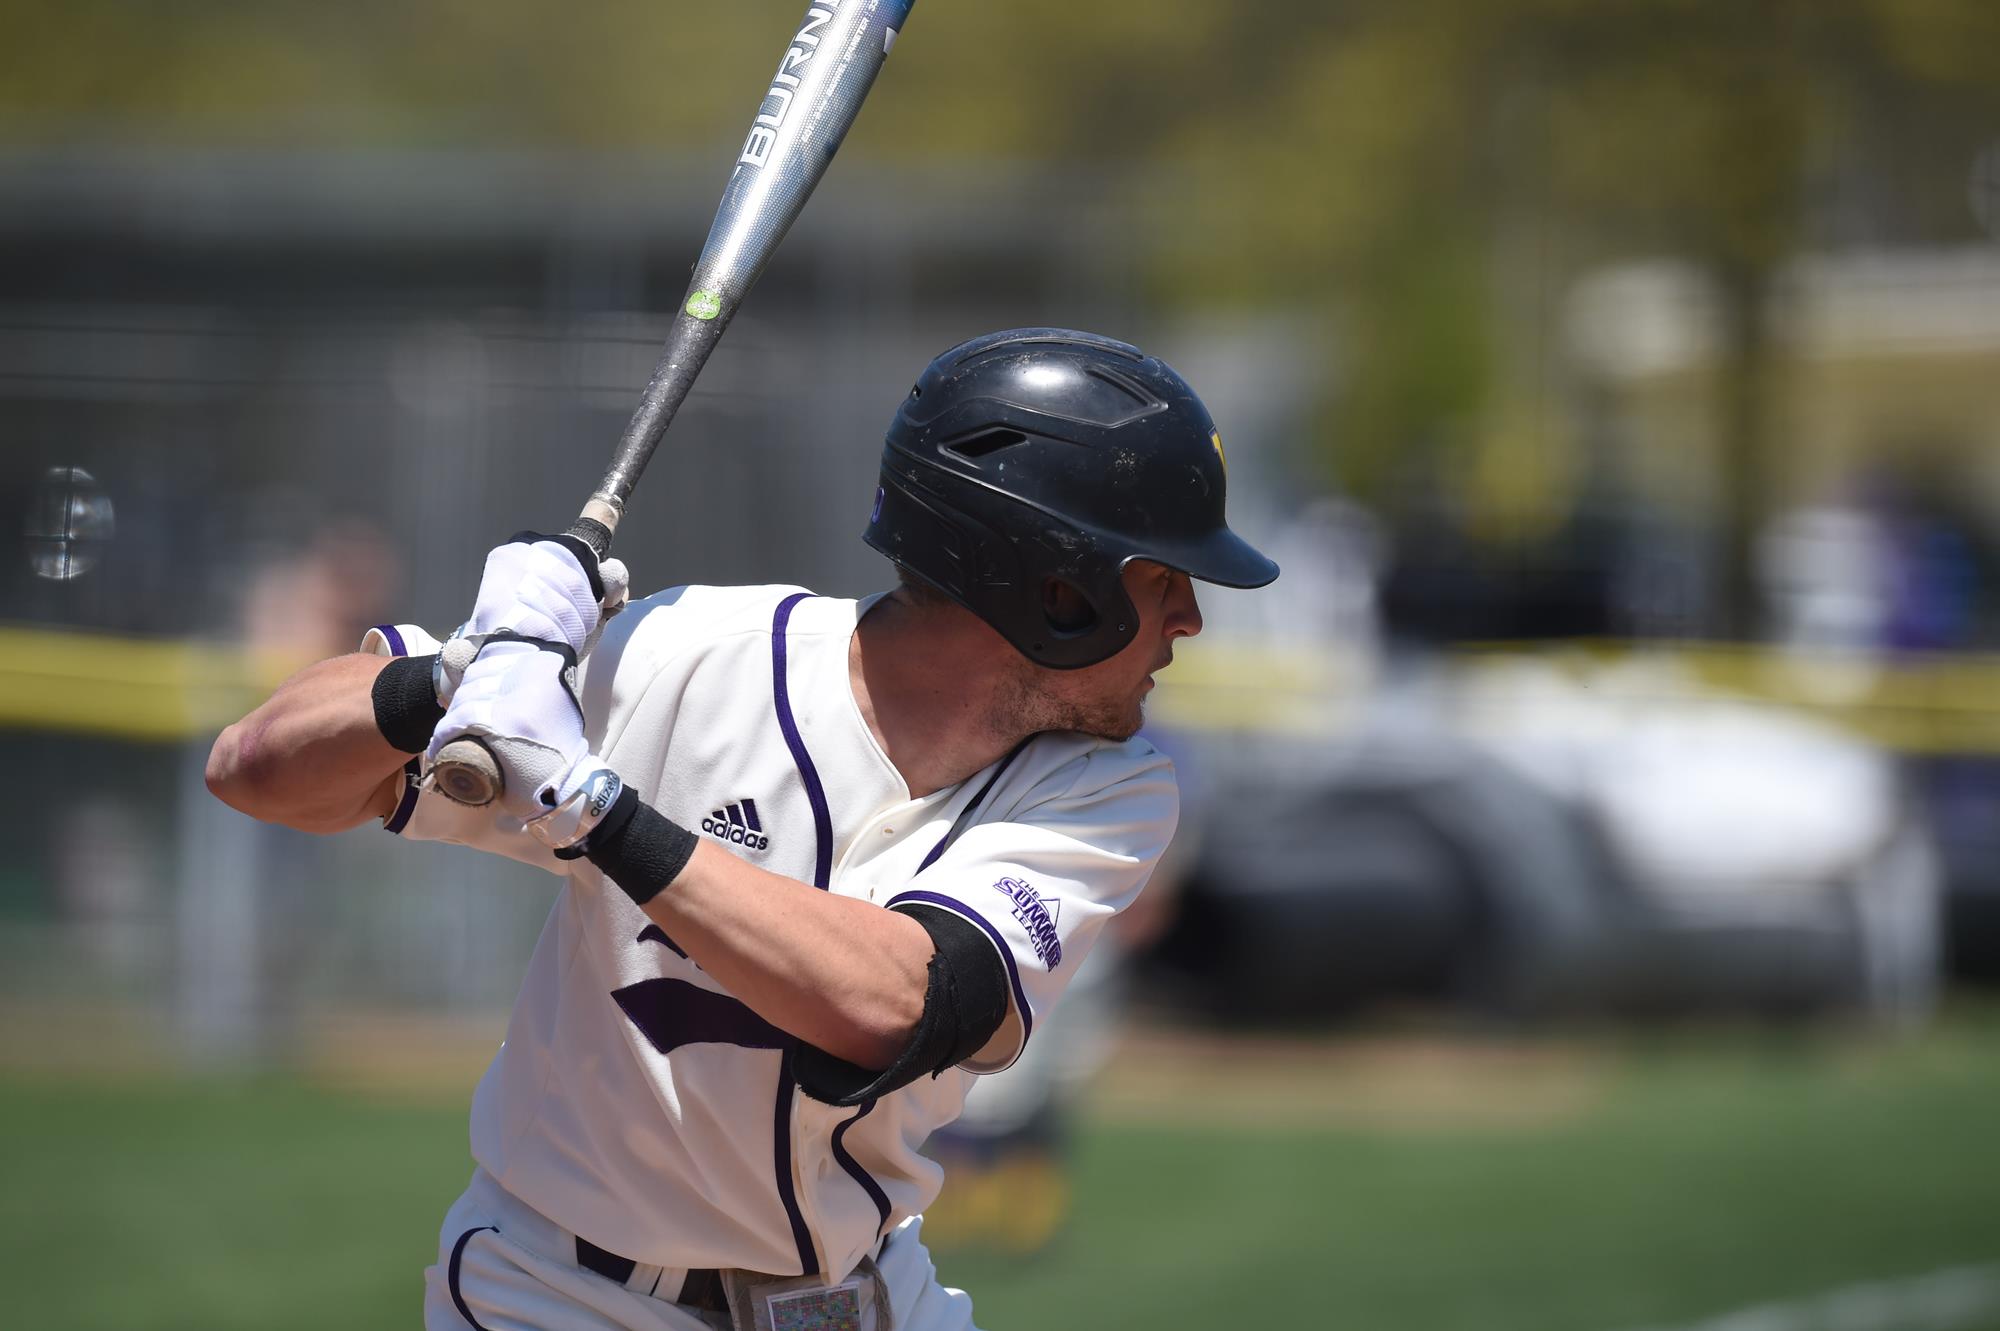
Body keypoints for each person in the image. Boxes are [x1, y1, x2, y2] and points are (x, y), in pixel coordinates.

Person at [207, 327, 1278, 1331]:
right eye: (1160, 577)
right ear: (1054, 586)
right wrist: (449, 678)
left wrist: (595, 807)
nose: (1188, 617)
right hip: (560, 1293)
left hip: (866, 1291)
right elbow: (253, 770)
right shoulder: (689, 657)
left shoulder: (1106, 785)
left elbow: (896, 1002)